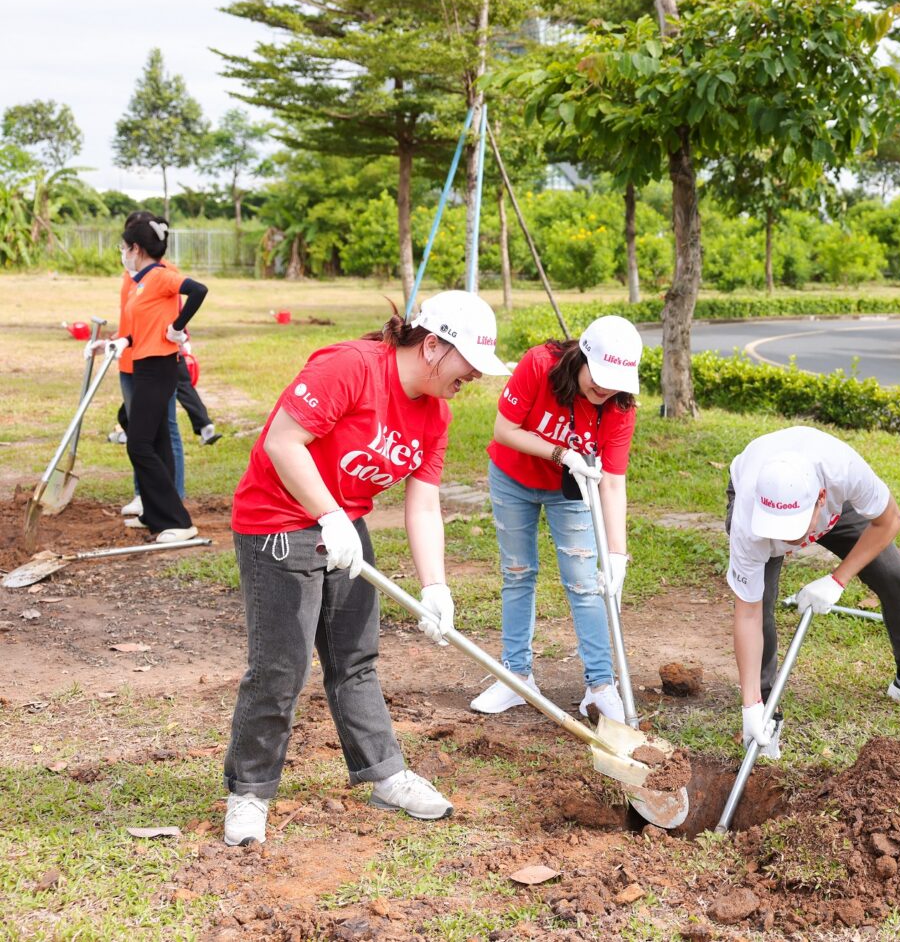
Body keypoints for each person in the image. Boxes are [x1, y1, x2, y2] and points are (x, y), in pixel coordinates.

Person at [222, 290, 510, 847]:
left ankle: (384, 774)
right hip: (278, 522)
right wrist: (327, 514)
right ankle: (250, 790)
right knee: (281, 668)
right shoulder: (350, 368)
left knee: (356, 659)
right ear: (432, 346)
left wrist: (436, 586)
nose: (473, 377)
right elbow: (284, 442)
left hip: (341, 526)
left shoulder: (436, 414)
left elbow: (424, 504)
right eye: (468, 365)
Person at [725, 426, 900, 757]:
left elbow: (890, 521)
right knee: (761, 605)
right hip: (763, 501)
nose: (786, 541)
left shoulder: (844, 471)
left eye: (792, 530)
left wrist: (838, 579)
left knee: (895, 576)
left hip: (832, 508)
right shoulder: (750, 521)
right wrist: (749, 704)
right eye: (778, 530)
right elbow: (746, 613)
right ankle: (765, 708)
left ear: (820, 500)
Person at [470, 315, 644, 724]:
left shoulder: (620, 407)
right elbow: (503, 430)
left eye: (614, 381)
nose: (603, 388)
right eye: (597, 377)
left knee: (586, 583)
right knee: (517, 571)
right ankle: (516, 677)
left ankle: (601, 687)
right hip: (514, 478)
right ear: (580, 357)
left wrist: (617, 555)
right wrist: (561, 453)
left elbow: (614, 484)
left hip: (573, 492)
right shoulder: (538, 364)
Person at [88, 212, 204, 542]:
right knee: (155, 441)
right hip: (143, 364)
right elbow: (140, 330)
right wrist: (113, 343)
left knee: (138, 445)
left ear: (136, 248)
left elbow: (199, 290)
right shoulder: (141, 282)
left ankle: (178, 522)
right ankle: (154, 513)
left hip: (159, 368)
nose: (122, 253)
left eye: (124, 247)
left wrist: (178, 327)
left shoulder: (162, 276)